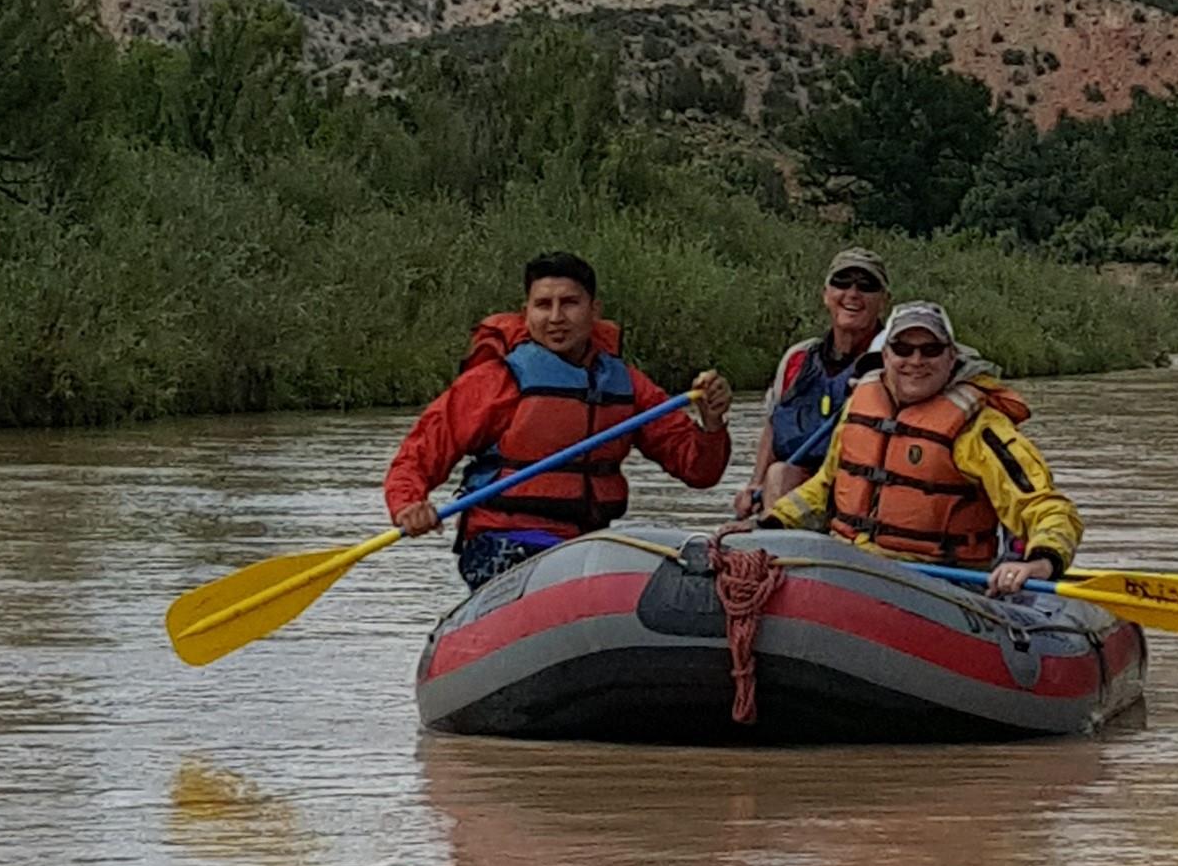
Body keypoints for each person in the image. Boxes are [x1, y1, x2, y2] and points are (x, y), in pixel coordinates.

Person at [385, 255, 731, 585]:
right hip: (503, 542)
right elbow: (418, 455)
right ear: (526, 313)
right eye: (543, 305)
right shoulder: (494, 381)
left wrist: (713, 424)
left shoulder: (627, 384)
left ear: (594, 310)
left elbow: (700, 471)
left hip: (587, 543)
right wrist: (409, 506)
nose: (555, 317)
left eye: (569, 303)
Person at [767, 295, 1079, 600]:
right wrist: (770, 523)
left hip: (939, 582)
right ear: (886, 356)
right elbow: (823, 488)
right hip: (852, 566)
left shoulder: (979, 428)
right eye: (903, 349)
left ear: (951, 357)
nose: (916, 361)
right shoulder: (858, 406)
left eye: (930, 350)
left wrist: (1042, 561)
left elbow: (1046, 506)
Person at [732, 246, 891, 517]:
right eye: (842, 283)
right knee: (778, 474)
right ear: (826, 295)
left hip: (864, 492)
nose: (853, 294)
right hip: (797, 487)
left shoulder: (899, 361)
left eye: (866, 286)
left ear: (884, 300)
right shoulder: (798, 357)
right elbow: (774, 424)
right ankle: (775, 532)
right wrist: (755, 484)